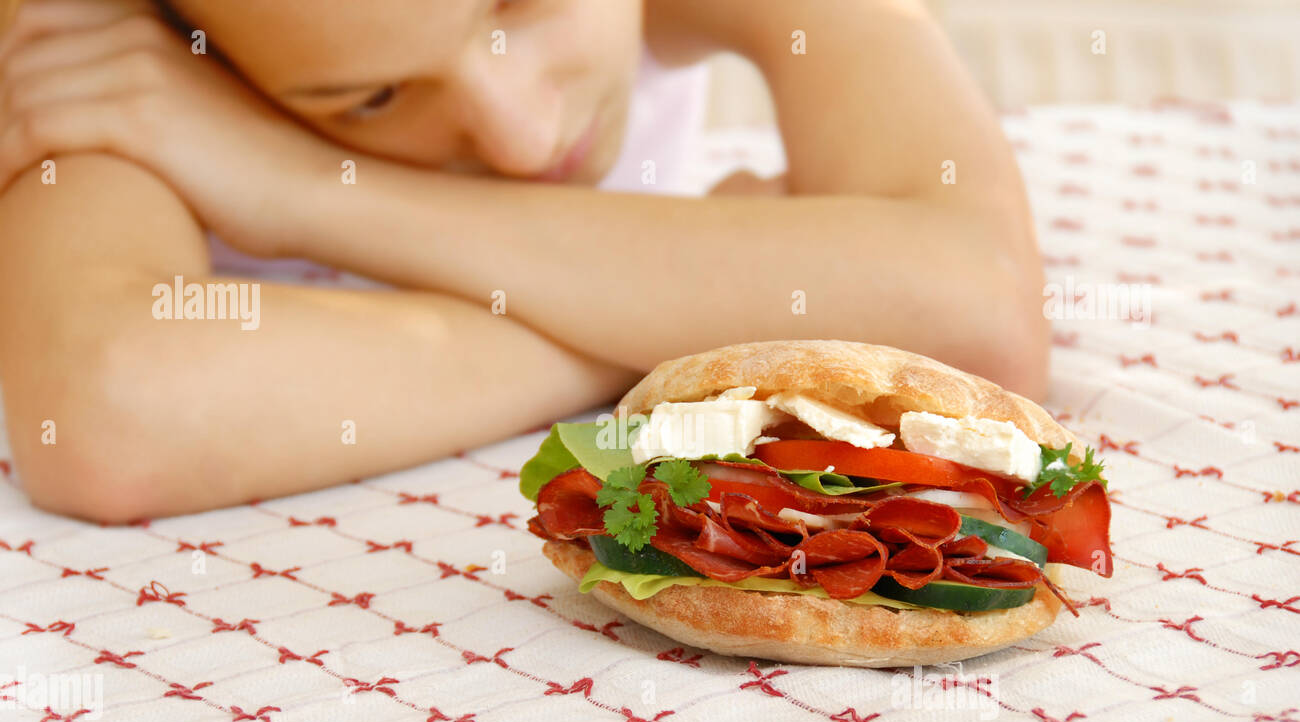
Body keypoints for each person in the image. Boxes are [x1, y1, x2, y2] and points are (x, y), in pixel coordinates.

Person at [0, 0, 1047, 523]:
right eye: (368, 100)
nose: (519, 135)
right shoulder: (116, 56)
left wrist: (303, 188)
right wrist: (691, 318)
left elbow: (977, 311)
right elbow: (112, 417)